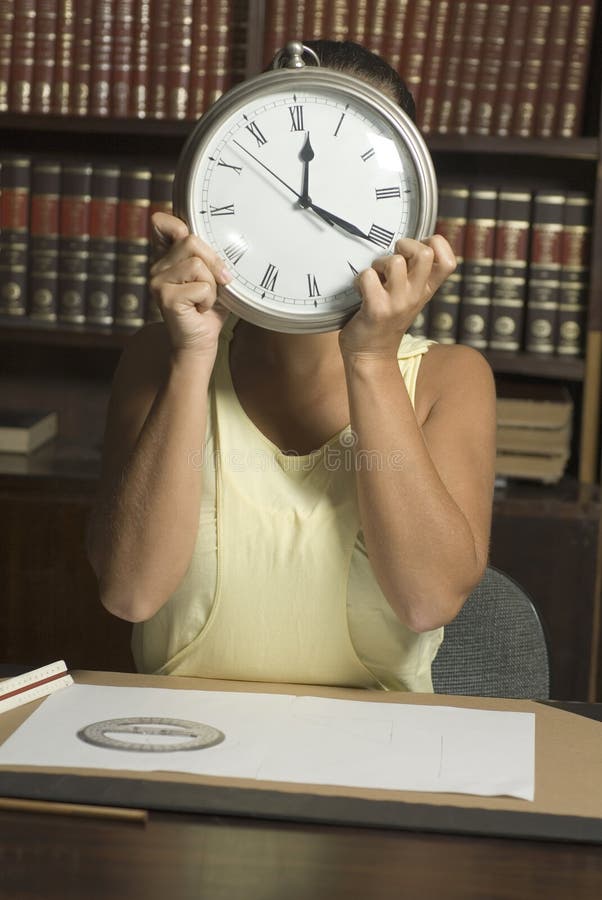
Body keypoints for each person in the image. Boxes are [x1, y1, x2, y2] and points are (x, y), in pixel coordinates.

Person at [86, 40, 496, 692]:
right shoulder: (157, 358)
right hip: (181, 745)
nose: (304, 209)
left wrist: (370, 358)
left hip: (378, 756)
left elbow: (428, 600)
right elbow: (131, 594)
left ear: (406, 206)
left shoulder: (452, 379)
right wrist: (192, 356)